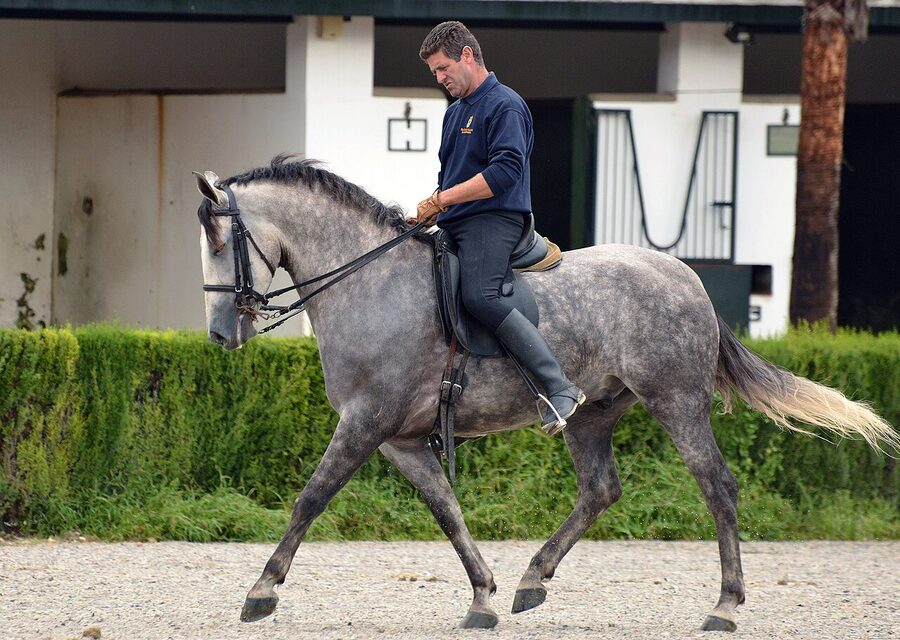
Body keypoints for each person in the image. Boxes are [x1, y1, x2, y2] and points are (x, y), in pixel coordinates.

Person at [415, 21, 585, 433]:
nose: (439, 79)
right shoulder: (454, 113)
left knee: (479, 295)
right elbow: (453, 177)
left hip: (497, 220)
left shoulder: (505, 105)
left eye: (442, 69)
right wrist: (432, 209)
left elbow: (505, 172)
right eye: (434, 73)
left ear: (467, 56)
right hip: (456, 222)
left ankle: (559, 387)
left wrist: (443, 199)